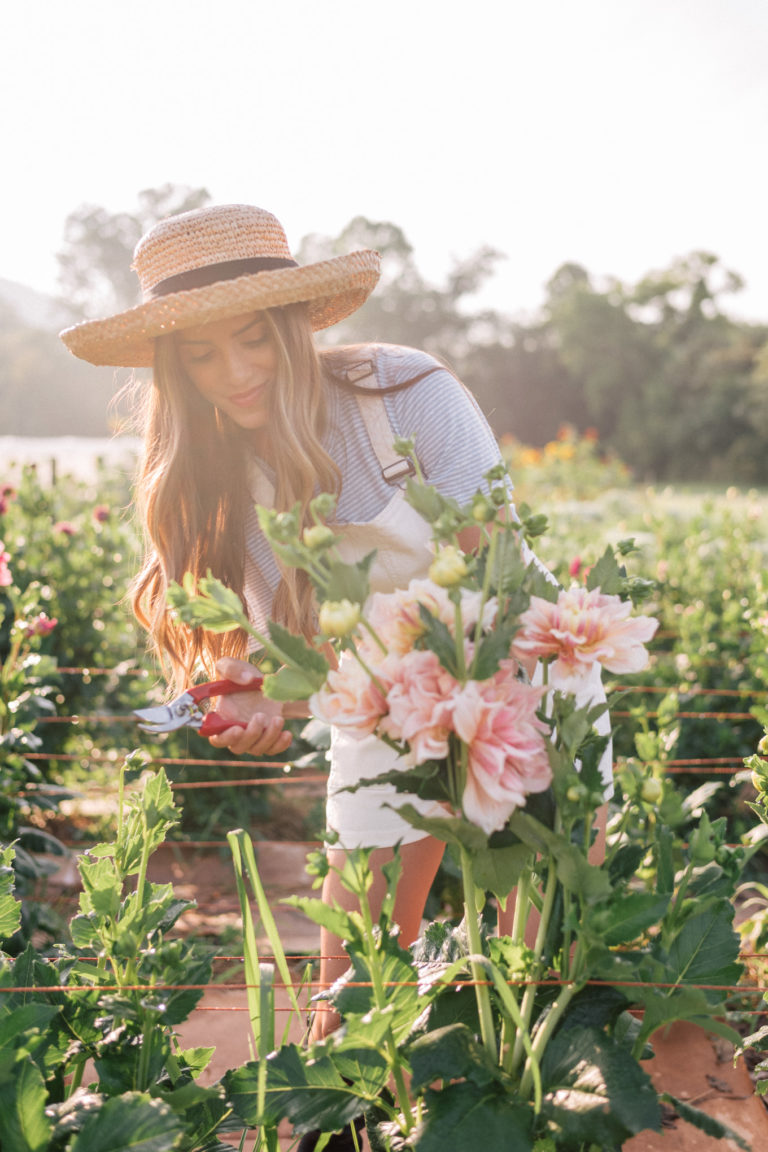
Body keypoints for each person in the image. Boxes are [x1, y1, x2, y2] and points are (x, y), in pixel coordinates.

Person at [60, 203, 610, 1147]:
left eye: (250, 339)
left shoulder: (408, 395)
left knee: (534, 985)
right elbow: (273, 653)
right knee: (357, 987)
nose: (232, 374)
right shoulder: (212, 469)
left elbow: (498, 586)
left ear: (291, 323)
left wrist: (309, 692)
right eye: (198, 354)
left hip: (522, 687)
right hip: (376, 707)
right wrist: (250, 697)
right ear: (172, 367)